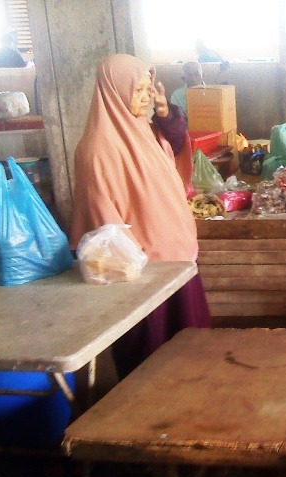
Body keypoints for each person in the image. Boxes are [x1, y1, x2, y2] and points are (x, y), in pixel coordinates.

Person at [70, 54, 210, 379]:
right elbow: (104, 219)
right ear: (115, 92)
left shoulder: (143, 130)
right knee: (151, 354)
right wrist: (135, 269)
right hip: (145, 271)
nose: (147, 96)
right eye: (139, 90)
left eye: (149, 89)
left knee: (192, 342)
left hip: (178, 258)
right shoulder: (97, 149)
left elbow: (174, 147)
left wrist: (165, 113)